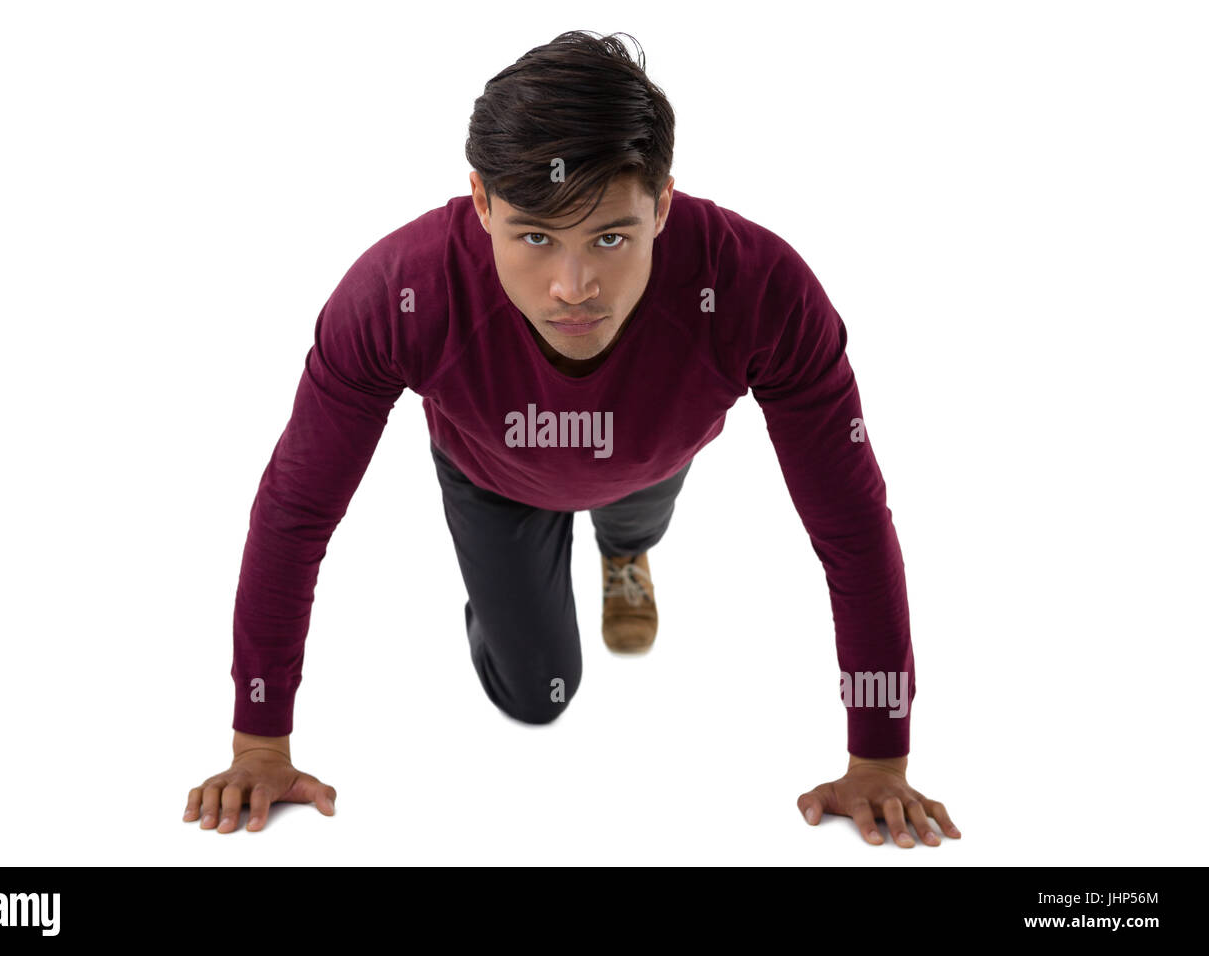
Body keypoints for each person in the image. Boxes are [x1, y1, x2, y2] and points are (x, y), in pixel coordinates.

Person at [184, 30, 960, 848]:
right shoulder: (397, 294)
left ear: (662, 204)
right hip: (490, 471)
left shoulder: (761, 289)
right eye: (535, 237)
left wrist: (880, 755)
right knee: (536, 695)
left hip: (650, 456)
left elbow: (851, 524)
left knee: (635, 517)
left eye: (611, 238)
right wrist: (259, 740)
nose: (573, 288)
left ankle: (625, 554)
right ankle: (509, 585)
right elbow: (294, 512)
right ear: (481, 202)